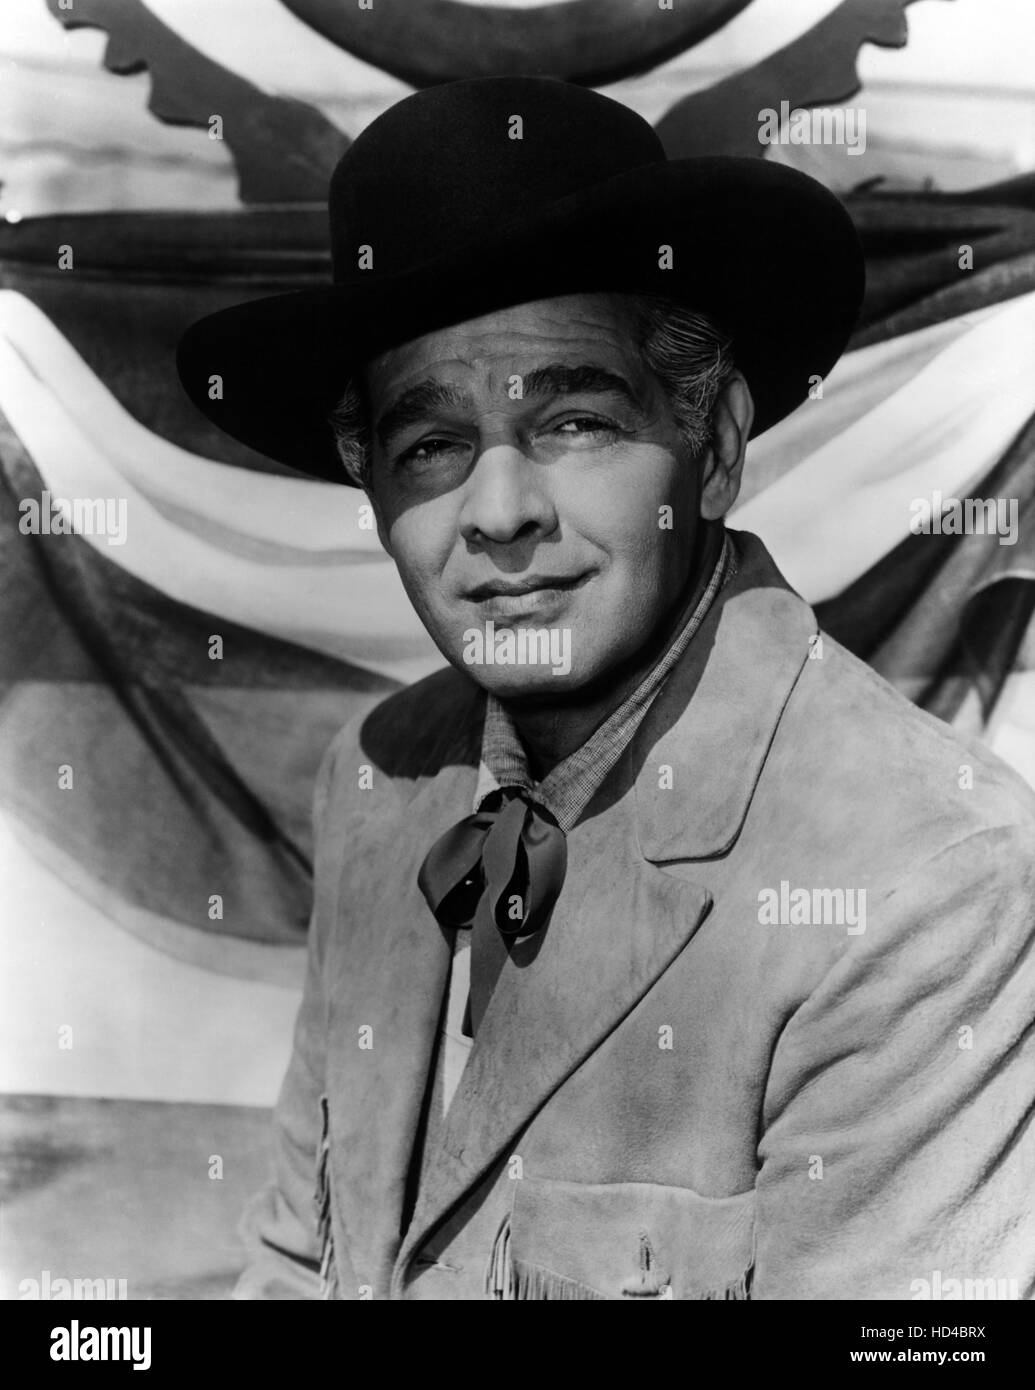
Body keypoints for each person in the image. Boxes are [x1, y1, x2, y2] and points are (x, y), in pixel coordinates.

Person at [178, 77, 1035, 1301]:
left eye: (575, 420)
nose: (501, 511)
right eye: (431, 445)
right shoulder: (378, 775)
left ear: (718, 448)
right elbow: (293, 1260)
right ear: (373, 491)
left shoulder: (926, 881)